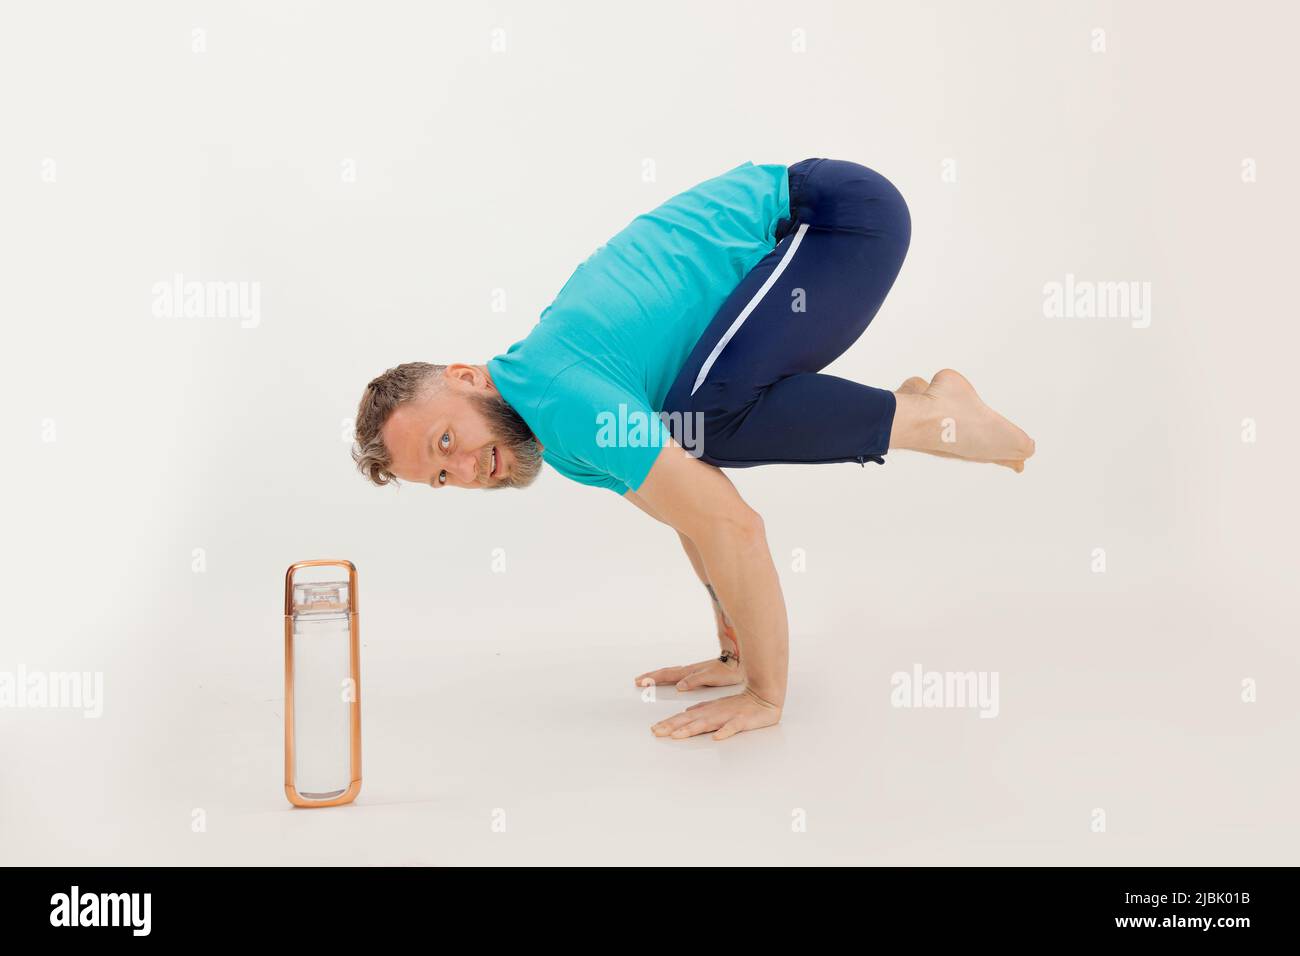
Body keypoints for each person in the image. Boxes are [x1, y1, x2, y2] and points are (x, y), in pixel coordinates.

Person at [350, 158, 1035, 742]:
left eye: (448, 441)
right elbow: (690, 512)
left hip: (834, 223)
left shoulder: (561, 396)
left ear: (466, 378)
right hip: (820, 239)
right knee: (694, 430)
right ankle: (930, 410)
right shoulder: (559, 438)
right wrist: (733, 647)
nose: (468, 469)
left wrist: (764, 695)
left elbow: (734, 525)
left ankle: (933, 415)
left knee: (702, 418)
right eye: (443, 477)